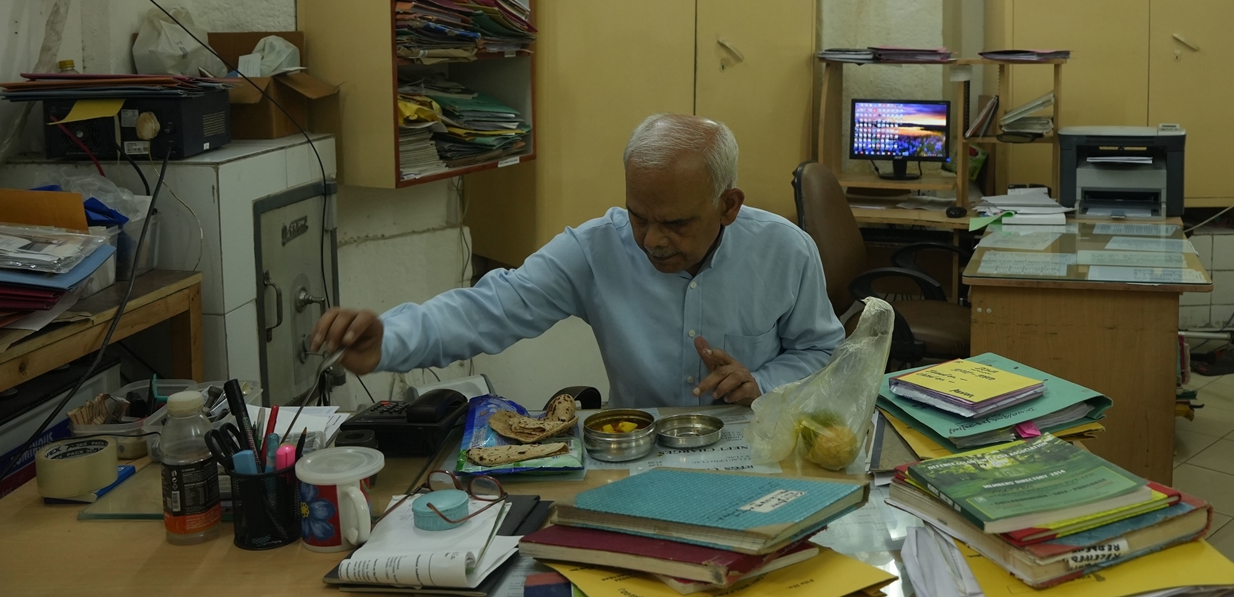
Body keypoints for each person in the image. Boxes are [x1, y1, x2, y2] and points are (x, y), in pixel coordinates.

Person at [309, 114, 843, 407]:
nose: (652, 240)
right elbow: (487, 309)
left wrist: (763, 383)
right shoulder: (595, 249)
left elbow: (823, 353)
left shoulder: (785, 250)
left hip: (754, 452)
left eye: (676, 224)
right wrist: (391, 339)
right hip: (635, 456)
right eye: (639, 216)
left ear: (728, 206)